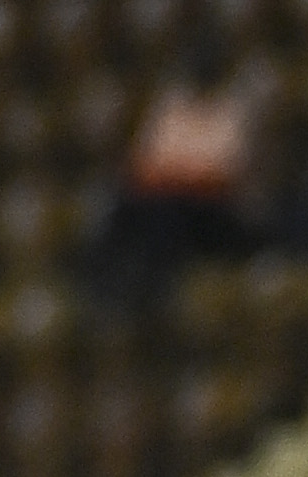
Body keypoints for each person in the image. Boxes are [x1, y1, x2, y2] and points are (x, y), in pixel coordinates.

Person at [83, 38, 266, 308]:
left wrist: (176, 176)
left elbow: (224, 173)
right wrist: (173, 176)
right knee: (121, 203)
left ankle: (155, 288)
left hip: (214, 209)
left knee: (168, 214)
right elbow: (144, 161)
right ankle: (102, 279)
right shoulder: (173, 104)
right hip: (167, 198)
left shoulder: (232, 108)